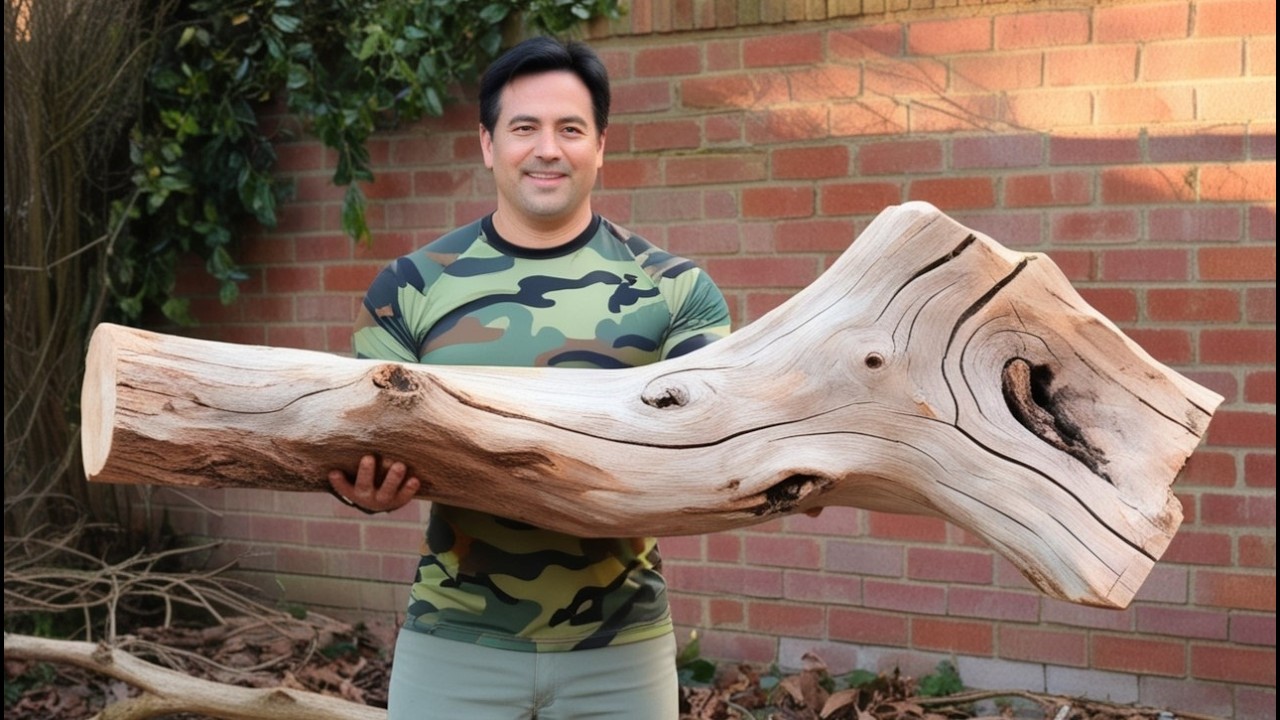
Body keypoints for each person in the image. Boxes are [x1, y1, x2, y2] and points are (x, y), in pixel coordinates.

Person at [326, 36, 730, 719]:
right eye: (524, 128)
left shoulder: (679, 292)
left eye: (570, 128)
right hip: (455, 640)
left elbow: (710, 445)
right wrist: (362, 485)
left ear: (600, 145)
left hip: (620, 651)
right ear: (488, 144)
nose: (548, 148)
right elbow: (358, 440)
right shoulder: (410, 287)